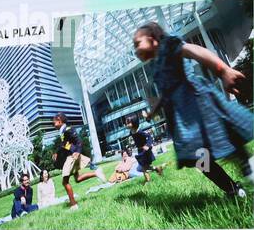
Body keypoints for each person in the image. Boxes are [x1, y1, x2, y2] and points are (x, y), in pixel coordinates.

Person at [132, 21, 252, 200]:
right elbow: (165, 94)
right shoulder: (154, 66)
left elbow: (195, 51)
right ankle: (231, 189)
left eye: (137, 44)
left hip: (199, 104)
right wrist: (152, 112)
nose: (135, 50)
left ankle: (247, 166)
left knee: (225, 137)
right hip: (183, 119)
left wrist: (223, 70)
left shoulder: (169, 46)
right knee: (201, 159)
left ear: (152, 40)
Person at [52, 112, 104, 209]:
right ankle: (96, 173)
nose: (53, 125)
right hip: (70, 157)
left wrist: (78, 152)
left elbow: (78, 141)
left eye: (54, 123)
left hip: (71, 157)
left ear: (59, 121)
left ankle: (73, 204)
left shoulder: (68, 129)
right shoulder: (62, 131)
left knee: (65, 182)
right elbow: (64, 144)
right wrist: (56, 153)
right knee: (77, 179)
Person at [126, 116, 164, 184]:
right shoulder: (131, 132)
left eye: (129, 123)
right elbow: (135, 139)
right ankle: (157, 168)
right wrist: (131, 145)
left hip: (145, 151)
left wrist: (147, 145)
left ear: (134, 123)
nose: (127, 125)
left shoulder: (139, 131)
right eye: (127, 123)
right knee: (145, 166)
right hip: (140, 150)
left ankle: (148, 181)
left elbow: (149, 137)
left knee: (143, 167)